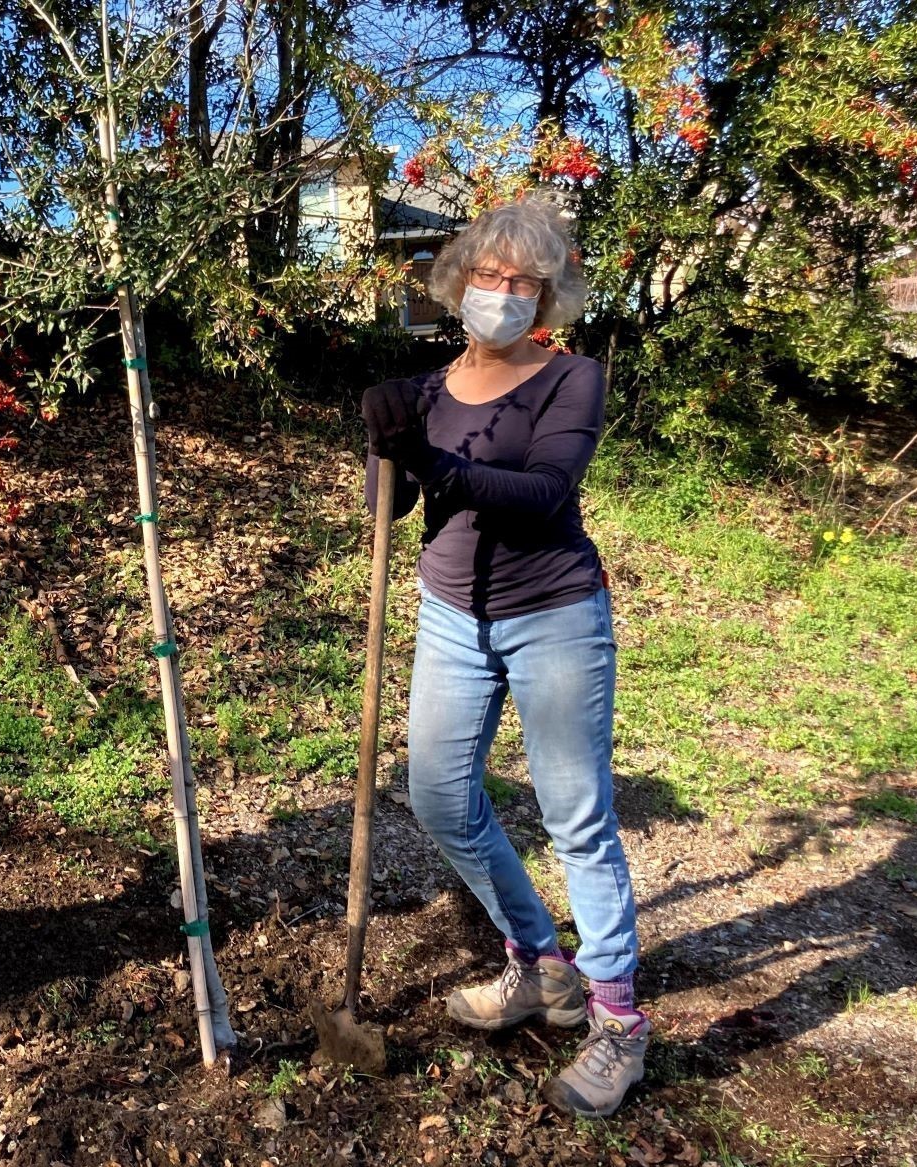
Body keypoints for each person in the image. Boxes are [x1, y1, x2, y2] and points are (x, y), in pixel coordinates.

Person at [360, 198, 647, 1118]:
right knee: (440, 796)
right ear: (458, 281)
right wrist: (386, 445)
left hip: (554, 612)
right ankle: (540, 962)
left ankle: (619, 1026)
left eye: (524, 280)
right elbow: (393, 507)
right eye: (488, 274)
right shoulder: (433, 388)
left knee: (577, 818)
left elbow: (544, 489)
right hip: (451, 613)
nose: (502, 292)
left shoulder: (573, 380)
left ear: (549, 294)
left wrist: (436, 465)